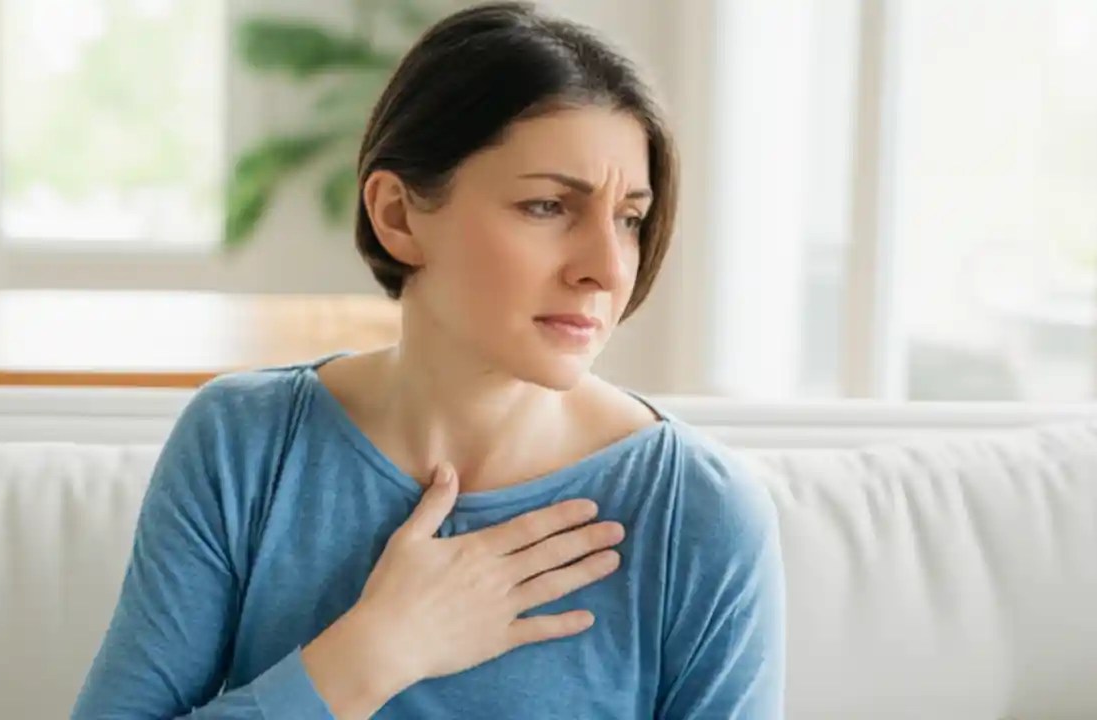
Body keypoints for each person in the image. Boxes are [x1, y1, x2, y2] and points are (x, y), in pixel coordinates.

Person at [70, 2, 785, 718]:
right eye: (546, 206)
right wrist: (370, 655)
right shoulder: (245, 443)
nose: (606, 266)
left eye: (630, 217)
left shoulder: (699, 513)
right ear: (398, 215)